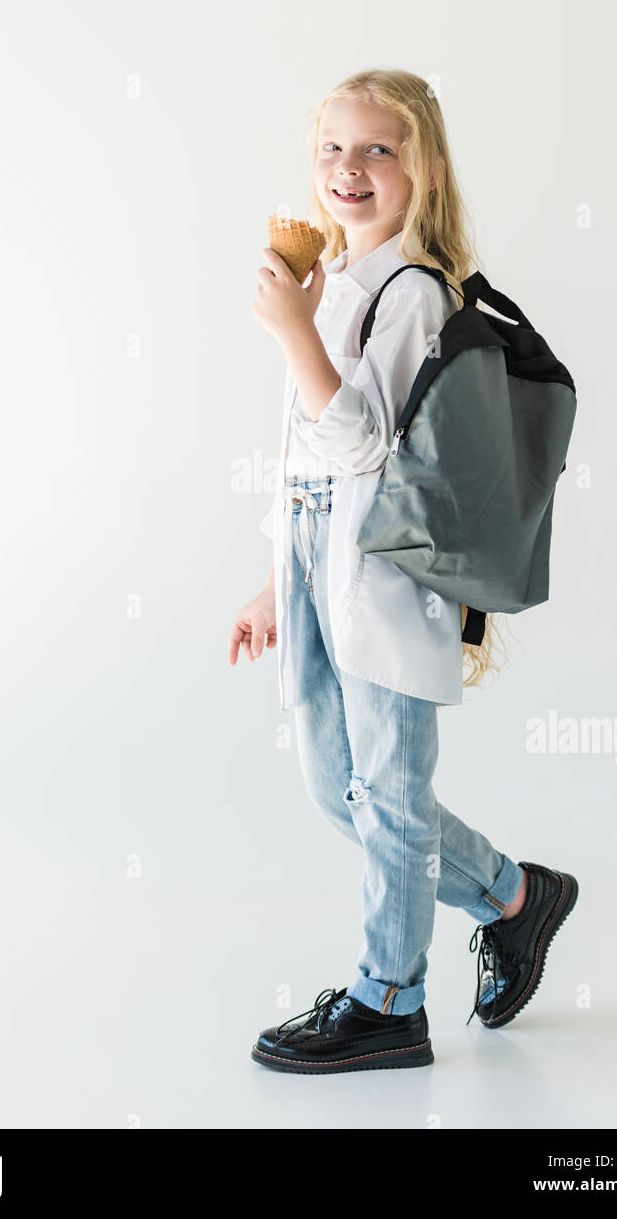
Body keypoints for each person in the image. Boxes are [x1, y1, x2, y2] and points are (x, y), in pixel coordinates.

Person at [228, 69, 577, 1075]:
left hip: (387, 577)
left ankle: (391, 998)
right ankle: (516, 894)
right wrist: (270, 579)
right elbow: (300, 454)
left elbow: (361, 447)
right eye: (333, 148)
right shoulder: (332, 283)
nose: (350, 169)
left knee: (386, 790)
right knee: (343, 792)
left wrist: (295, 336)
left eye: (378, 149)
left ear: (421, 171)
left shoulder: (417, 294)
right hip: (316, 565)